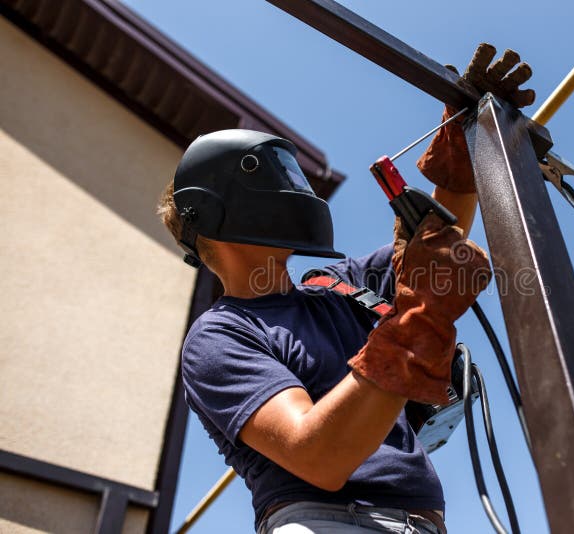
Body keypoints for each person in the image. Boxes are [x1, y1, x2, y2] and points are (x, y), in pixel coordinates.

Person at [157, 44, 535, 534]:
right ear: (212, 214)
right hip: (324, 522)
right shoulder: (219, 336)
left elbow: (432, 250)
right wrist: (420, 321)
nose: (291, 190)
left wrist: (463, 144)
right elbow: (316, 455)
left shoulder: (337, 287)